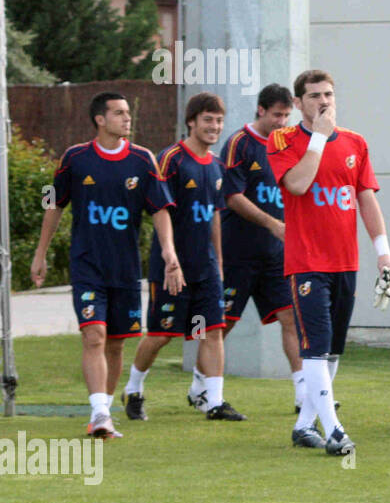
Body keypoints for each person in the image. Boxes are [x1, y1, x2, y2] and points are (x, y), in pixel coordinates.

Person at [30, 92, 182, 438]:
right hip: (87, 266)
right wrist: (40, 254)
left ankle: (106, 409)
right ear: (100, 119)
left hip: (126, 269)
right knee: (94, 336)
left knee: (116, 343)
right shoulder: (75, 158)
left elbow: (159, 208)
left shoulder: (143, 159)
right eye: (119, 113)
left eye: (128, 112)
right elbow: (53, 204)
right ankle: (99, 414)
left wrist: (168, 252)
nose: (127, 118)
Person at [268, 69, 390, 455]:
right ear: (297, 103)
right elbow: (297, 184)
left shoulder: (356, 142)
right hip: (307, 261)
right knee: (315, 346)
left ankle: (305, 425)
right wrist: (320, 138)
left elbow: (366, 199)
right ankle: (335, 430)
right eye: (313, 96)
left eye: (328, 94)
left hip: (345, 261)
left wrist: (384, 252)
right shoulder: (283, 139)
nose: (323, 101)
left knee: (333, 348)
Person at [123, 92, 244, 422]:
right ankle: (133, 390)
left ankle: (214, 402)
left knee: (212, 330)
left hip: (206, 268)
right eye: (207, 120)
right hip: (171, 268)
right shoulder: (171, 159)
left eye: (219, 120)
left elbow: (216, 215)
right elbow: (159, 210)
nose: (214, 126)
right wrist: (171, 261)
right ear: (191, 122)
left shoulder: (218, 166)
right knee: (162, 335)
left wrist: (218, 262)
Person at [219, 84, 321, 442]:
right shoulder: (239, 143)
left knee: (291, 316)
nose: (281, 121)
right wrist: (272, 224)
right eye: (275, 115)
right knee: (222, 324)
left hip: (278, 254)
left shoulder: (292, 144)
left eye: (285, 115)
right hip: (239, 251)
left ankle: (302, 394)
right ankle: (204, 389)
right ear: (259, 111)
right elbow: (231, 197)